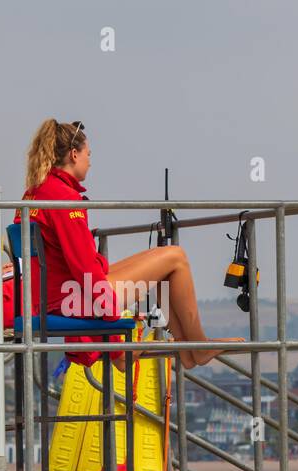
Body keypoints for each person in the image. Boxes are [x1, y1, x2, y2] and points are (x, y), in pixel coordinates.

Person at [14, 119, 241, 368]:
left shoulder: (36, 192)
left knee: (165, 257)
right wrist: (113, 329)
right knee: (176, 257)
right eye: (88, 154)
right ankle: (198, 347)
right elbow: (83, 267)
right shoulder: (64, 197)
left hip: (52, 296)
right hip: (71, 299)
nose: (90, 161)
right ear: (74, 154)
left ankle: (188, 346)